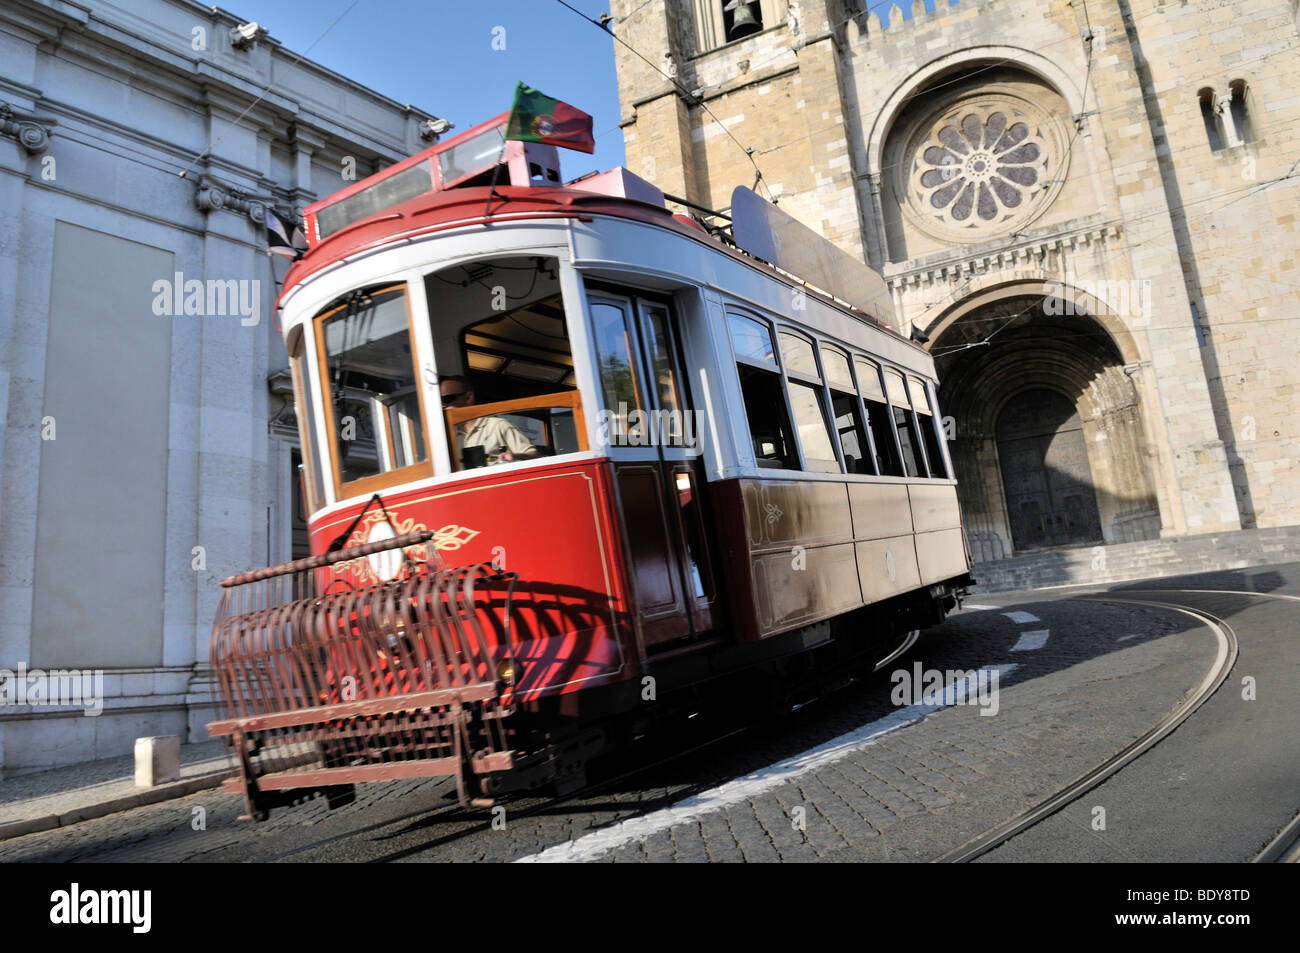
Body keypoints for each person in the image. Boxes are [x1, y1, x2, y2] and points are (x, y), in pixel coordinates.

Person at [438, 375, 539, 466]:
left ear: (468, 398)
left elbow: (534, 456)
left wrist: (514, 456)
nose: (443, 405)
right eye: (440, 401)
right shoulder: (446, 436)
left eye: (447, 399)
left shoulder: (498, 426)